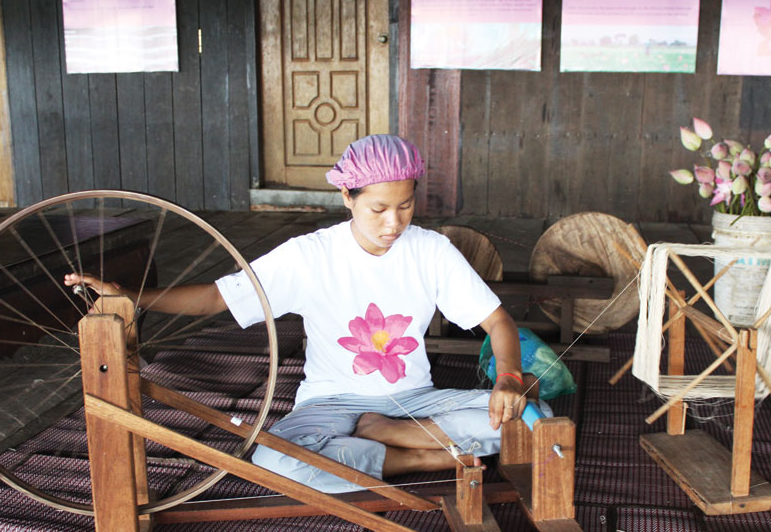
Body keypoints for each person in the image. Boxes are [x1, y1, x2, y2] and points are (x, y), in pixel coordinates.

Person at [65, 134, 551, 492]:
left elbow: (497, 322)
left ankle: (390, 438)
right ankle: (420, 461)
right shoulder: (308, 255)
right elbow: (219, 297)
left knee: (532, 416)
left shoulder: (431, 250)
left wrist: (508, 376)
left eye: (405, 206)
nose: (394, 223)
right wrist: (133, 294)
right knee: (277, 460)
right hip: (329, 404)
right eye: (379, 208)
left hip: (414, 402)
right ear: (347, 198)